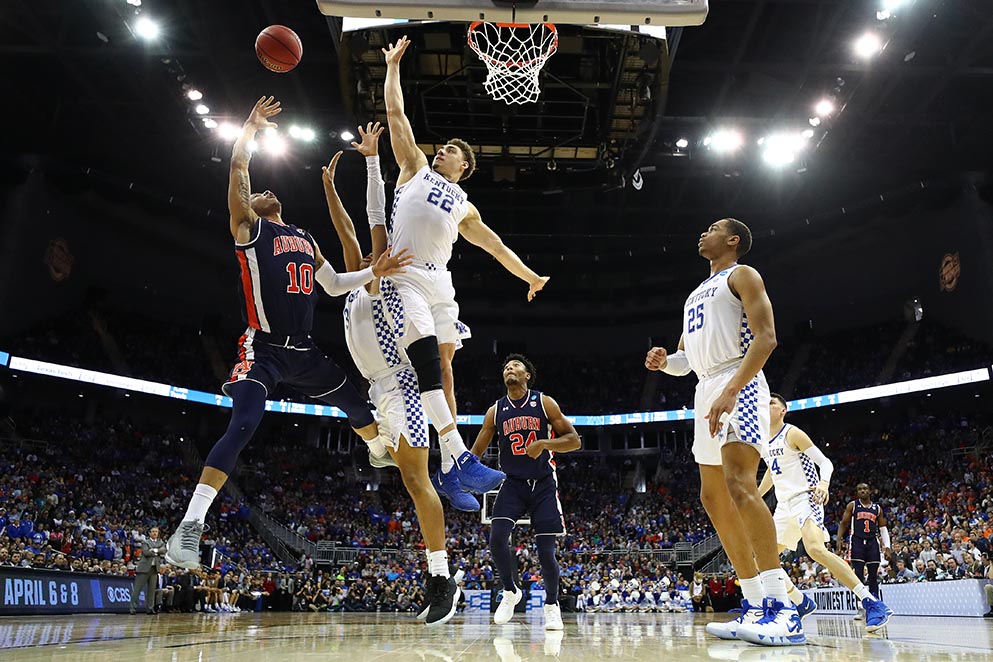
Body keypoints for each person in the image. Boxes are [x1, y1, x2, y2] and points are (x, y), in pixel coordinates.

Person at [165, 97, 411, 569]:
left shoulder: (303, 236)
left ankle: (377, 448)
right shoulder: (248, 228)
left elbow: (336, 285)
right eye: (257, 193)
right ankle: (189, 528)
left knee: (357, 406)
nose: (267, 191)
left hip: (305, 351)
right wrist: (250, 131)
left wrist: (371, 271)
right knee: (245, 422)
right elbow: (238, 172)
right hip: (265, 348)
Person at [381, 36, 549, 506]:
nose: (442, 152)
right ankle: (458, 458)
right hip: (406, 274)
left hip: (441, 283)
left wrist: (530, 277)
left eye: (451, 151)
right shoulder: (415, 167)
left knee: (447, 370)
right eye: (442, 149)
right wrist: (393, 68)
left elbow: (495, 246)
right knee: (429, 365)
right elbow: (397, 117)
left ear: (465, 166)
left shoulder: (464, 206)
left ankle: (450, 473)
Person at [319, 123, 464, 625]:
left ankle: (443, 578)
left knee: (416, 481)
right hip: (377, 390)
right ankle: (379, 446)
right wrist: (327, 189)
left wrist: (372, 161)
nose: (366, 254)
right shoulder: (356, 278)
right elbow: (346, 231)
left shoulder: (382, 277)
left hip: (404, 386)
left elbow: (374, 216)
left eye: (372, 255)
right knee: (399, 469)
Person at [645, 218, 803, 646]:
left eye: (712, 228)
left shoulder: (742, 275)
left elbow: (766, 338)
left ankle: (782, 608)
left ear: (732, 240)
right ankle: (753, 604)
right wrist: (666, 361)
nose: (702, 232)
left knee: (739, 483)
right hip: (706, 387)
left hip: (741, 380)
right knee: (712, 497)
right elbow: (685, 361)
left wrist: (733, 390)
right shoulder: (696, 292)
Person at [759, 393, 893, 632]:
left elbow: (826, 462)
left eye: (772, 403)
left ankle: (871, 602)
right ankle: (801, 602)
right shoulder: (764, 440)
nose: (766, 405)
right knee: (762, 559)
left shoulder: (792, 433)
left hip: (805, 497)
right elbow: (772, 471)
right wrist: (755, 496)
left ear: (782, 411)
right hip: (783, 505)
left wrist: (823, 483)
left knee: (814, 549)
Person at [469, 355, 581, 630]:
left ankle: (552, 605)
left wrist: (543, 442)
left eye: (516, 366)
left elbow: (574, 441)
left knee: (545, 552)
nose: (510, 368)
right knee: (496, 540)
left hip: (543, 483)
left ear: (527, 375)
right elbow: (477, 451)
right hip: (513, 483)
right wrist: (464, 471)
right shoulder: (495, 410)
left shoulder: (544, 402)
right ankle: (510, 591)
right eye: (507, 367)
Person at [837, 482, 890, 607]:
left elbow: (883, 528)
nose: (862, 491)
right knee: (858, 575)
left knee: (873, 576)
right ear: (857, 492)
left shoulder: (877, 508)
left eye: (865, 489)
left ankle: (875, 604)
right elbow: (844, 523)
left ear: (870, 491)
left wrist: (887, 547)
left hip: (872, 542)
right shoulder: (853, 505)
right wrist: (839, 539)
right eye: (859, 489)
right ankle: (860, 605)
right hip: (857, 542)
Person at [130, 526, 166, 615]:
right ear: (149, 533)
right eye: (153, 531)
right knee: (137, 589)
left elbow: (164, 550)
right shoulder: (145, 542)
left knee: (151, 591)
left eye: (156, 532)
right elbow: (146, 552)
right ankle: (132, 608)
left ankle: (150, 608)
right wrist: (158, 551)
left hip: (154, 569)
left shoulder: (161, 542)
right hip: (143, 569)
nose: (154, 533)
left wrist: (154, 550)